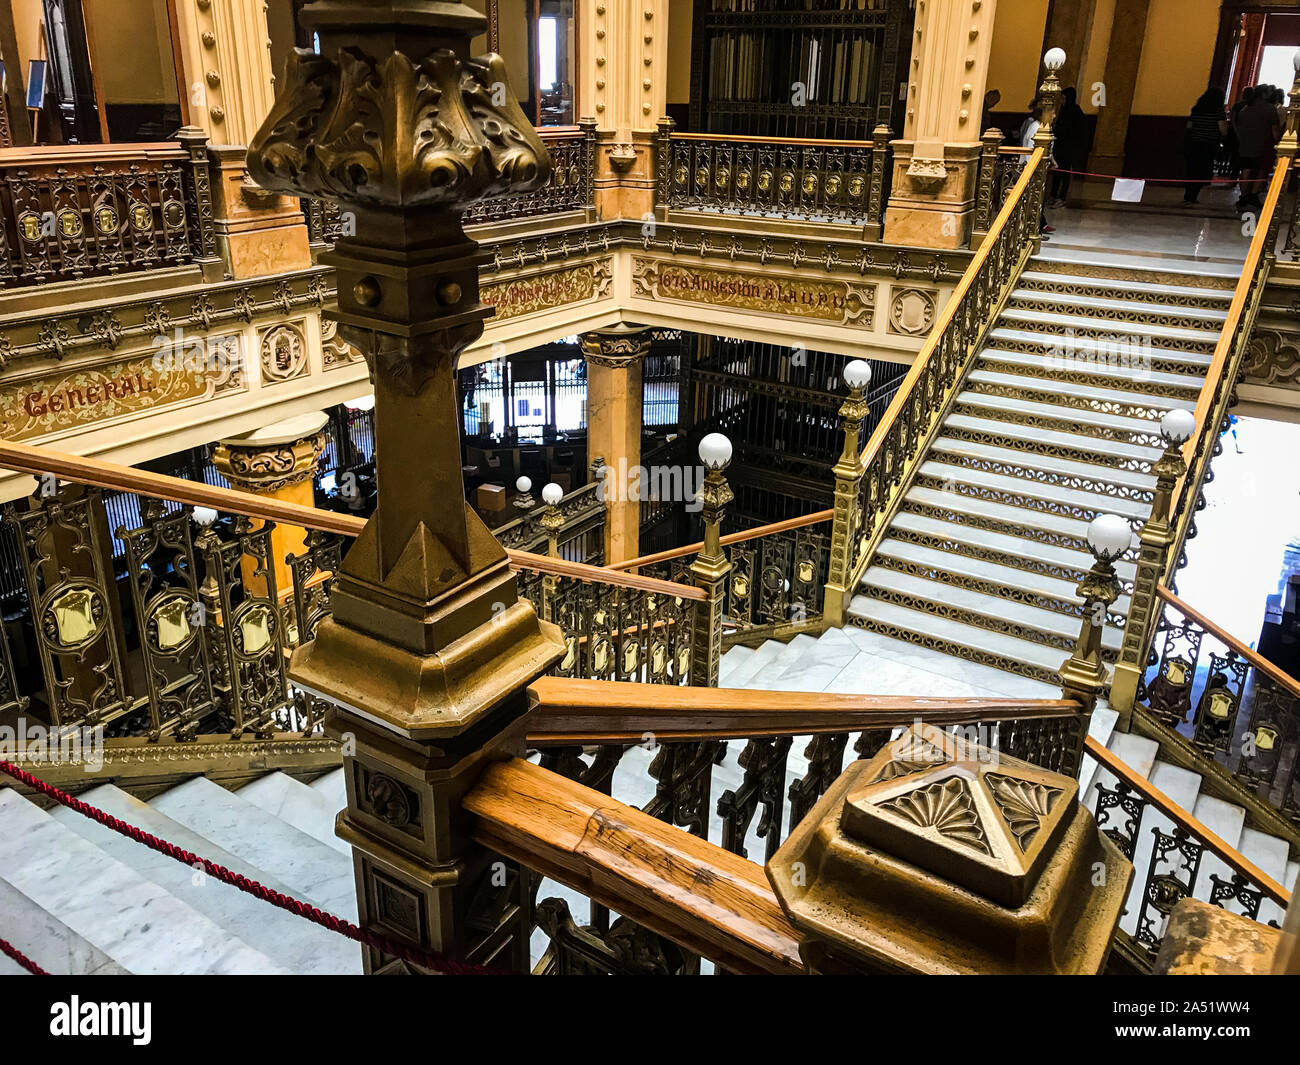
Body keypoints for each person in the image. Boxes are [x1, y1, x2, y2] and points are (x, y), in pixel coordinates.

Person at [1234, 84, 1281, 212]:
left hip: (1245, 143)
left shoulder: (1246, 108)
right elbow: (1275, 130)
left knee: (1245, 170)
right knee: (1262, 169)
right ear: (1264, 94)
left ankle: (1244, 195)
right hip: (1262, 144)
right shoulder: (1270, 109)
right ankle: (1253, 194)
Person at [1183, 88, 1227, 206]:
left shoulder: (1197, 109)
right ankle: (1193, 195)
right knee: (1202, 171)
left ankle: (1188, 195)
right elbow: (1223, 130)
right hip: (1209, 145)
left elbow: (1189, 126)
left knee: (1192, 170)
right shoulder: (1218, 111)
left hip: (1194, 143)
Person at [1048, 87, 1085, 207]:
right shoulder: (1062, 110)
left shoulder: (1076, 111)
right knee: (1057, 172)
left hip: (1069, 148)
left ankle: (1062, 197)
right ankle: (1053, 195)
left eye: (1064, 98)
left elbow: (1078, 131)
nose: (1062, 100)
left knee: (1065, 173)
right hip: (1059, 146)